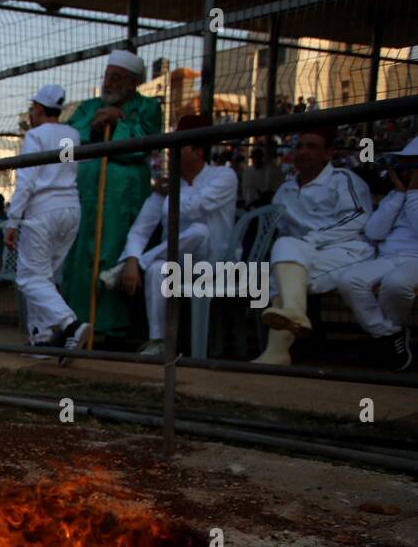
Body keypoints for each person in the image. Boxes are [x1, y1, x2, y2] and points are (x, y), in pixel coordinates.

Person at [100, 114, 238, 358]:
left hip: (215, 262)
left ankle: (136, 264)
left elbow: (197, 206)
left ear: (197, 151)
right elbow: (141, 227)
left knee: (199, 231)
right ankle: (158, 341)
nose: (171, 154)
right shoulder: (165, 186)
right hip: (178, 260)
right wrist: (132, 258)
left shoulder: (223, 177)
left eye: (179, 148)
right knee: (156, 270)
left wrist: (170, 192)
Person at [61, 50, 163, 344]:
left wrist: (118, 123)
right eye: (107, 76)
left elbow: (144, 142)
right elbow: (73, 134)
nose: (109, 83)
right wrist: (96, 124)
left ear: (132, 83)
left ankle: (111, 327)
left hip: (123, 199)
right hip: (87, 195)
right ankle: (78, 322)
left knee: (112, 255)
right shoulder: (89, 106)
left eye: (116, 78)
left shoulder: (147, 107)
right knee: (81, 257)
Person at [253, 126, 373, 366]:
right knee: (285, 256)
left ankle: (277, 351)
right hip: (300, 252)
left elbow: (358, 218)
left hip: (344, 250)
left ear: (328, 153)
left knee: (284, 276)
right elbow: (281, 230)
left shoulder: (344, 179)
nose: (303, 151)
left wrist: (312, 240)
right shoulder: (285, 189)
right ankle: (294, 316)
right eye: (299, 146)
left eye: (311, 146)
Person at [4, 83, 88, 358]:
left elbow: (26, 181)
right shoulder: (73, 134)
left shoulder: (36, 135)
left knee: (30, 278)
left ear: (39, 108)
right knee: (45, 277)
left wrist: (13, 220)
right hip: (70, 208)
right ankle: (41, 338)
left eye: (32, 108)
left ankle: (69, 324)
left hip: (43, 209)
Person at [330, 137, 418, 371]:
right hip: (387, 257)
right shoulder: (395, 196)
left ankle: (385, 340)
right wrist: (400, 195)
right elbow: (374, 231)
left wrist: (412, 195)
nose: (407, 171)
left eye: (413, 165)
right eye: (407, 165)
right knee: (348, 280)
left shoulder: (411, 196)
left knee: (396, 284)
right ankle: (390, 334)